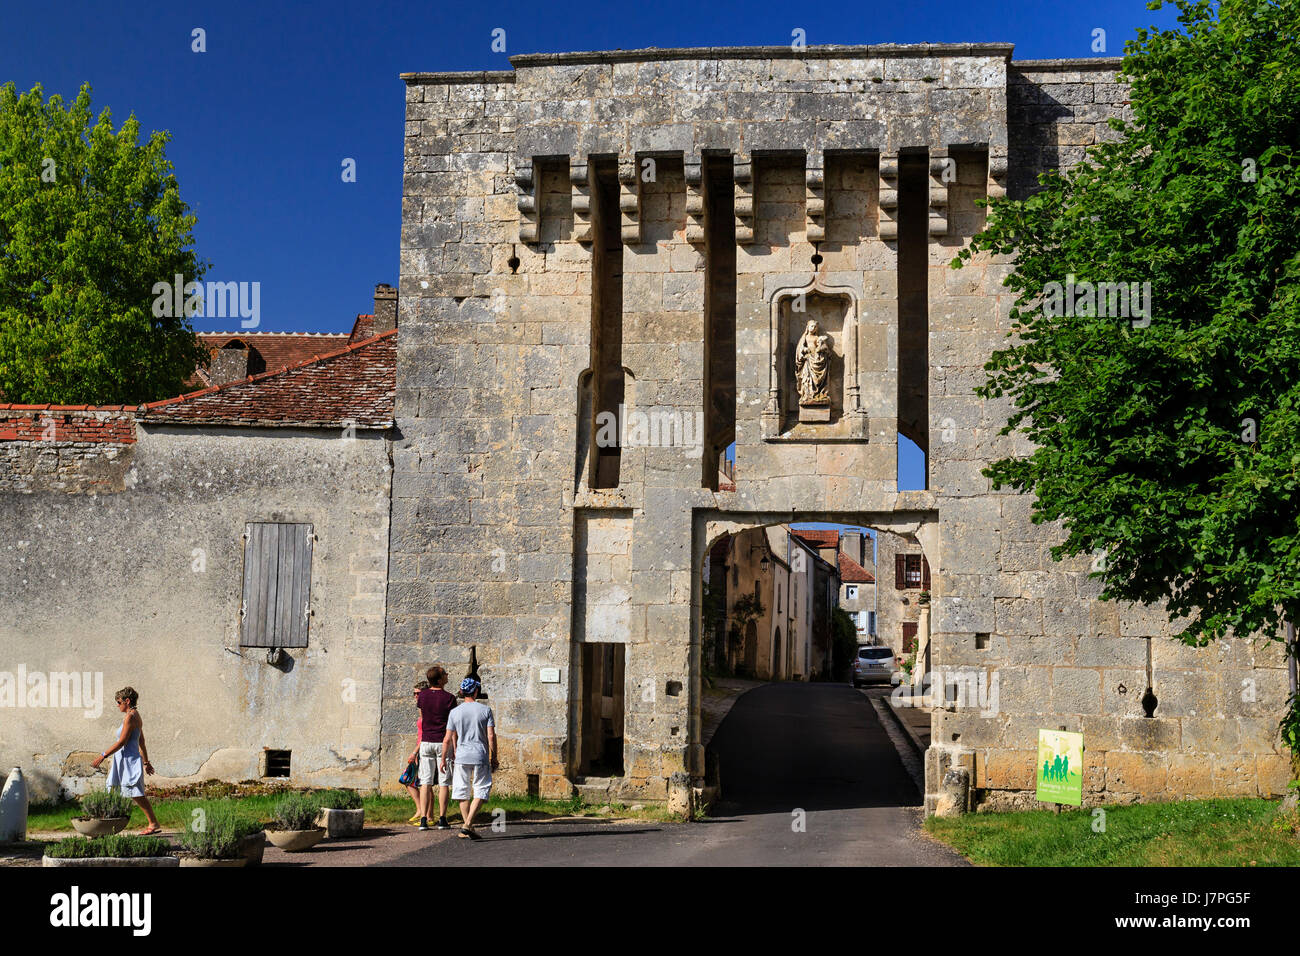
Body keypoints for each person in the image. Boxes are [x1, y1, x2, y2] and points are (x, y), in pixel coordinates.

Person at [90, 686, 161, 835]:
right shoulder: (135, 715)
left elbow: (122, 742)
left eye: (118, 702)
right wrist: (146, 762)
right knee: (114, 790)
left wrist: (103, 755)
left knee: (135, 792)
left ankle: (153, 823)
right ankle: (108, 823)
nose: (117, 705)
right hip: (122, 760)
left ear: (127, 701)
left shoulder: (131, 717)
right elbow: (141, 741)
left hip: (128, 761)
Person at [441, 677, 497, 840]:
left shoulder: (455, 712)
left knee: (461, 791)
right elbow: (491, 736)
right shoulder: (485, 710)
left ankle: (468, 825)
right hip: (480, 754)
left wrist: (443, 758)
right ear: (476, 691)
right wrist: (494, 756)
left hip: (461, 756)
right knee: (482, 788)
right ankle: (468, 825)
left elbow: (447, 738)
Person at [408, 666, 456, 831]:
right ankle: (442, 818)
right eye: (445, 674)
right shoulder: (449, 698)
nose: (447, 675)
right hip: (443, 741)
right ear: (440, 679)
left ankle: (423, 819)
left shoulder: (423, 696)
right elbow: (452, 725)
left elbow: (423, 718)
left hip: (427, 741)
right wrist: (454, 746)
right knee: (444, 783)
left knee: (425, 782)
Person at [406, 680, 429, 825]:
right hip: (419, 747)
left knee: (419, 782)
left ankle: (426, 814)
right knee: (409, 780)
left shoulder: (425, 710)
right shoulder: (421, 709)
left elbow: (426, 733)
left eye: (418, 693)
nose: (415, 696)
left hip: (422, 748)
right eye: (414, 693)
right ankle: (420, 810)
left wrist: (415, 752)